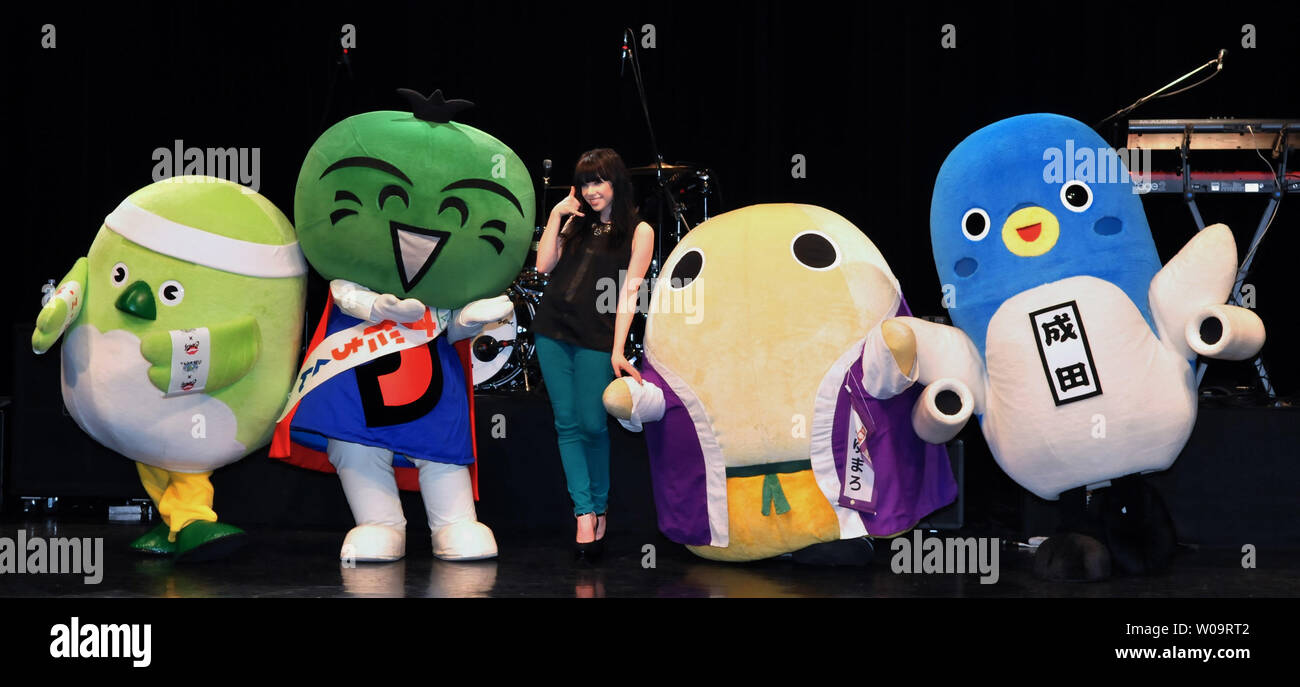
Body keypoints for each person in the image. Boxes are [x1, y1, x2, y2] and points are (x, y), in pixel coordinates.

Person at [532, 148, 654, 559]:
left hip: (595, 337)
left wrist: (619, 348)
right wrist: (556, 216)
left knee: (593, 425)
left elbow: (630, 292)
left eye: (598, 181)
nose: (591, 190)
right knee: (566, 423)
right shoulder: (576, 222)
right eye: (585, 183)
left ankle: (600, 506)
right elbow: (544, 266)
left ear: (615, 181)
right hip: (552, 329)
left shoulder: (639, 231)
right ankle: (584, 512)